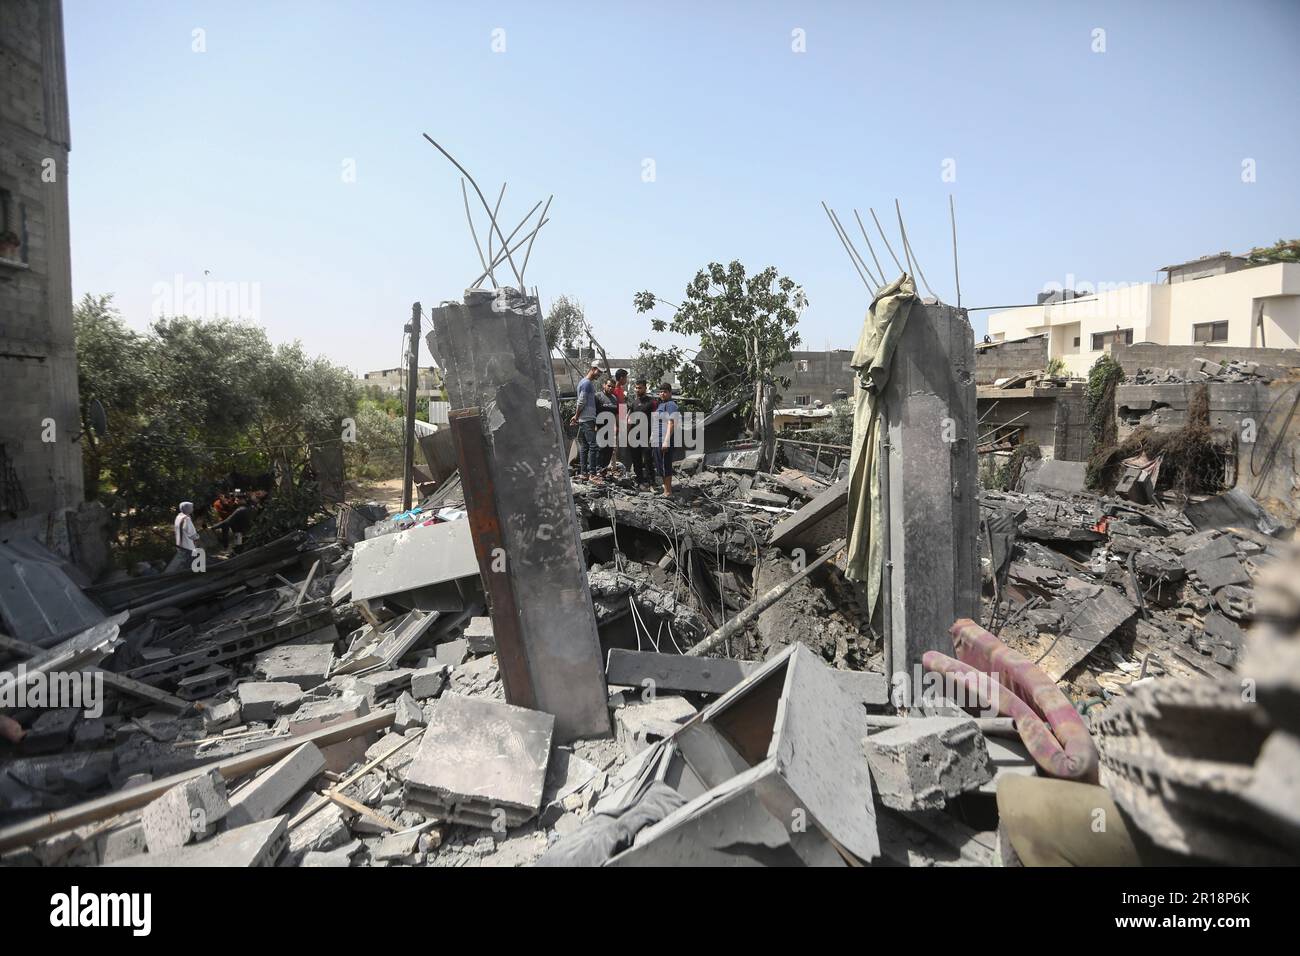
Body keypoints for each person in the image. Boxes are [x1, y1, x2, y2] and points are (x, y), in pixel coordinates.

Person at [569, 364, 601, 481]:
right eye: (598, 371)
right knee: (593, 445)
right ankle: (592, 474)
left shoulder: (584, 382)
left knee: (585, 447)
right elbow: (581, 401)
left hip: (585, 418)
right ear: (593, 369)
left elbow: (581, 402)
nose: (599, 374)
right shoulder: (587, 383)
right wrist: (577, 416)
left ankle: (584, 473)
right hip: (587, 419)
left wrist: (577, 416)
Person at [626, 379, 657, 487]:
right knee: (636, 459)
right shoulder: (633, 403)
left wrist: (653, 435)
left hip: (647, 435)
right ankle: (640, 481)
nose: (637, 390)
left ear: (645, 388)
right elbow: (629, 419)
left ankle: (652, 482)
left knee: (648, 460)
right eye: (636, 388)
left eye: (640, 388)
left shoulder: (651, 402)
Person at [652, 383, 679, 498]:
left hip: (665, 439)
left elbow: (671, 423)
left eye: (665, 392)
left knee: (665, 464)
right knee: (660, 465)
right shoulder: (660, 405)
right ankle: (665, 489)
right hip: (657, 439)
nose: (662, 394)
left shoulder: (671, 405)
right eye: (661, 391)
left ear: (670, 393)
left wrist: (666, 440)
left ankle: (668, 492)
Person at [168, 501, 200, 572]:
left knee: (183, 560)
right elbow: (192, 534)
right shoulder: (186, 519)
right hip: (187, 544)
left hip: (179, 543)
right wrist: (197, 537)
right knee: (190, 561)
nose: (193, 509)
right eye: (191, 507)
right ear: (187, 509)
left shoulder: (178, 517)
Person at [596, 378, 619, 470]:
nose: (610, 388)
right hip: (600, 428)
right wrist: (594, 425)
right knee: (600, 450)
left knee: (609, 450)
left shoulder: (614, 398)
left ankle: (603, 470)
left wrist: (617, 426)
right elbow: (593, 412)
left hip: (610, 429)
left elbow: (616, 414)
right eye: (609, 386)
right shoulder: (598, 396)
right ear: (604, 385)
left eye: (613, 387)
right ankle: (597, 470)